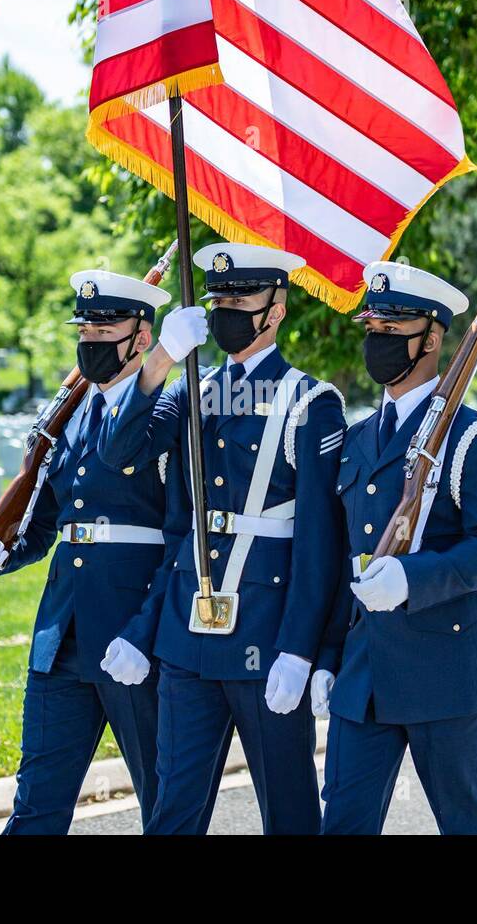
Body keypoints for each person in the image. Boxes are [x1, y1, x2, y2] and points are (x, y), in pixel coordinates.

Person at [97, 242, 347, 834]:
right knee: (173, 813)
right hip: (187, 639)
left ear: (276, 308)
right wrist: (158, 360)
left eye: (242, 297)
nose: (226, 308)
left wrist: (301, 648)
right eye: (219, 298)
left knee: (288, 814)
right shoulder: (190, 390)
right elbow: (120, 455)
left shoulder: (311, 403)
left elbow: (320, 546)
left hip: (268, 639)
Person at [0, 270, 186, 834]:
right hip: (63, 636)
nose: (89, 340)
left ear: (141, 336)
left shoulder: (167, 406)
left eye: (104, 329)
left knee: (163, 801)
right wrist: (0, 552)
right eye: (83, 329)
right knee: (37, 801)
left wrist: (144, 630)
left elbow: (161, 513)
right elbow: (54, 522)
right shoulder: (74, 414)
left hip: (134, 635)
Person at [314, 262, 477, 834]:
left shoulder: (476, 437)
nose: (376, 337)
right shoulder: (357, 440)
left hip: (443, 667)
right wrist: (326, 658)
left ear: (431, 338)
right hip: (364, 670)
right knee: (345, 822)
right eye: (371, 325)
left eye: (392, 326)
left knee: (465, 820)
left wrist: (412, 579)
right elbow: (338, 566)